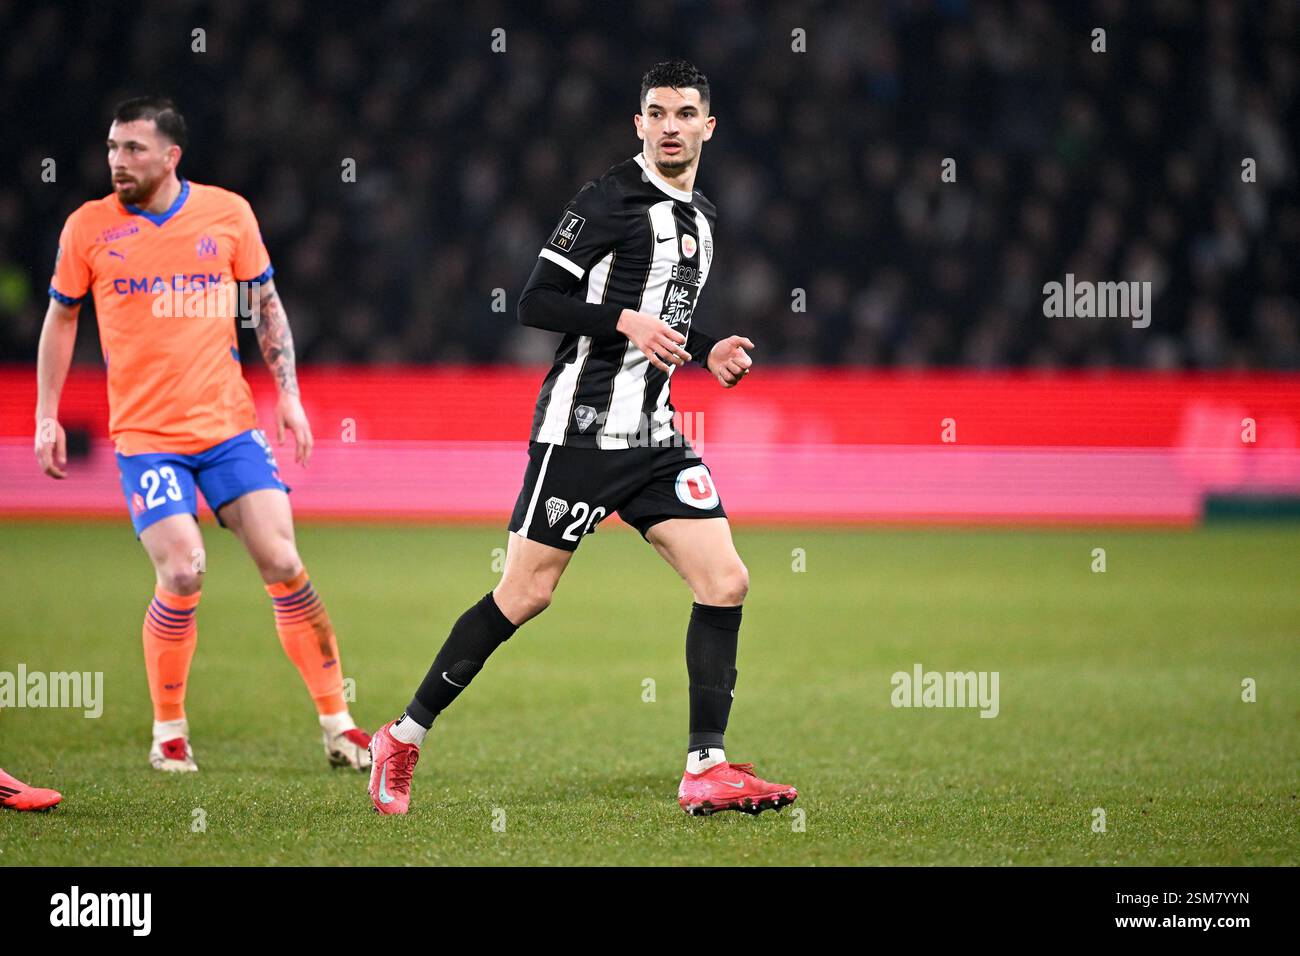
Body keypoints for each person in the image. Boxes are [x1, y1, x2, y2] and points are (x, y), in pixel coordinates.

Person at [368, 61, 797, 817]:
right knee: (526, 594)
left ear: (708, 126)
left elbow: (656, 313)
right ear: (638, 124)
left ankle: (706, 766)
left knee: (726, 581)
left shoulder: (702, 216)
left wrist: (705, 348)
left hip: (657, 436)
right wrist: (622, 322)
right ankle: (401, 736)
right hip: (581, 431)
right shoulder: (606, 202)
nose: (670, 125)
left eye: (684, 113)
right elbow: (537, 301)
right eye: (656, 112)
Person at [35, 97, 370, 773]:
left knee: (282, 561)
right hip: (147, 436)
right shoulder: (89, 228)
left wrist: (291, 398)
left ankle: (338, 724)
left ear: (170, 156)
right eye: (111, 148)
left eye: (133, 149)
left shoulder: (227, 214)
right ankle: (169, 733)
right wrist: (46, 412)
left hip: (229, 429)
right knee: (183, 569)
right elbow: (62, 319)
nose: (117, 162)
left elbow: (265, 308)